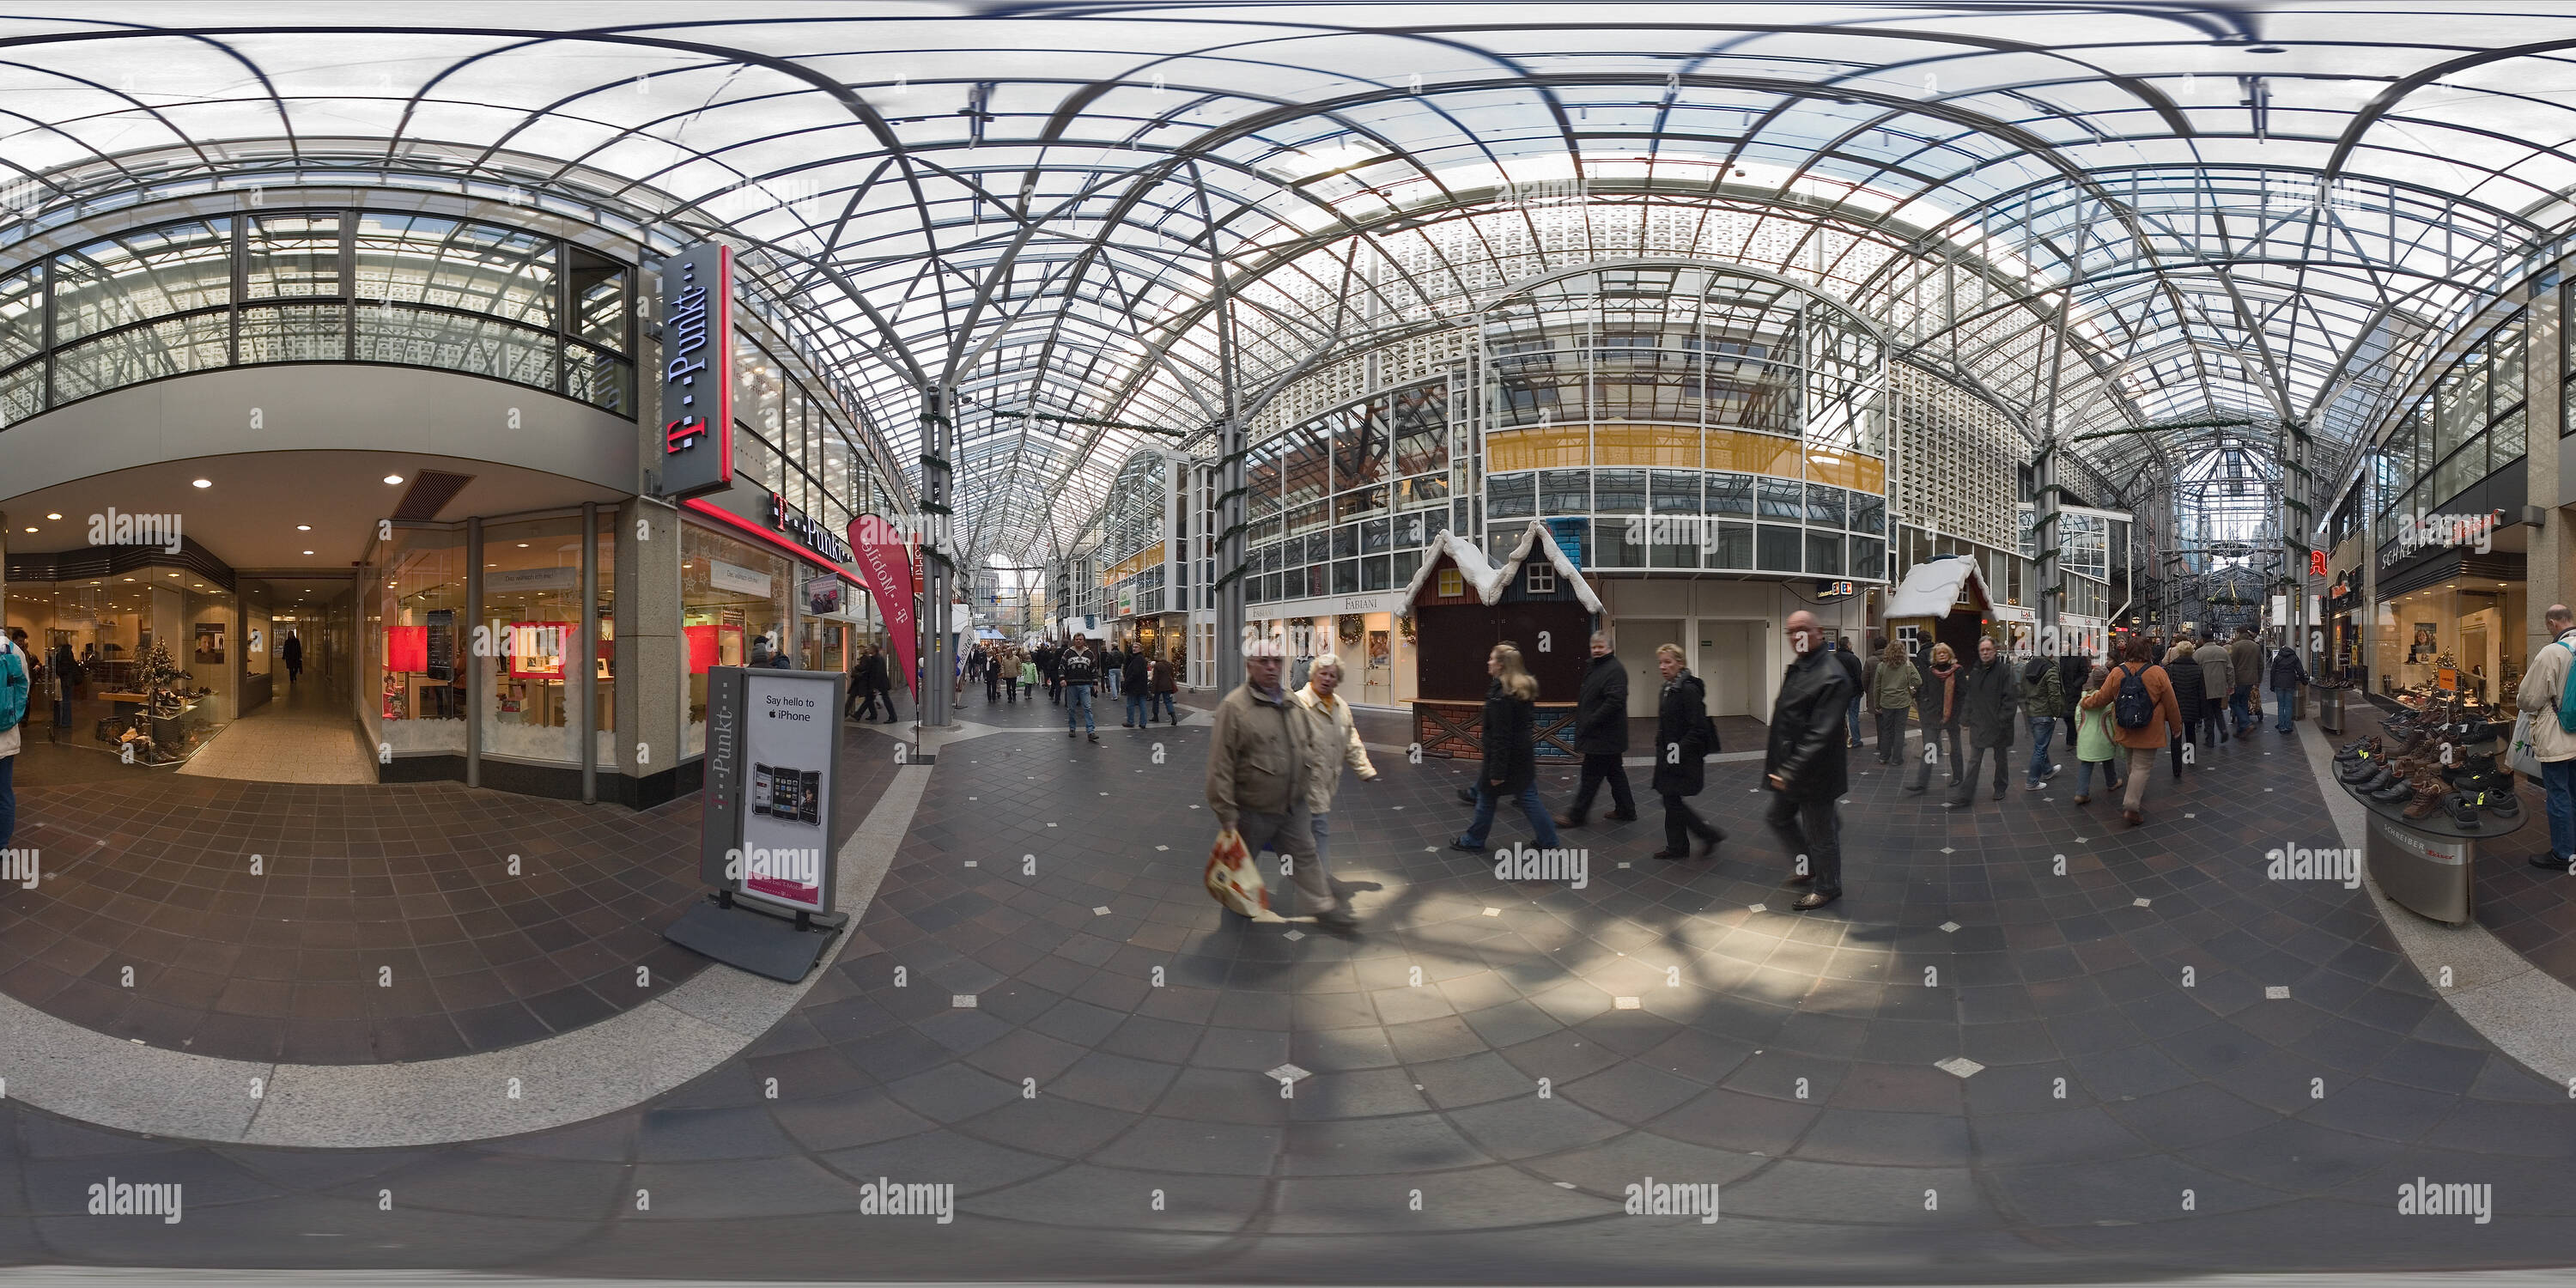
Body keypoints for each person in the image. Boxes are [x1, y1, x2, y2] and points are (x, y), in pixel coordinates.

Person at [1206, 635, 1315, 923]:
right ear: (1249, 666)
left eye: (1276, 661)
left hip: (1293, 807)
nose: (1271, 667)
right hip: (1252, 811)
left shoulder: (1293, 702)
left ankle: (1325, 907)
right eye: (1263, 661)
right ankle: (1234, 913)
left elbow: (1306, 745)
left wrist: (1308, 785)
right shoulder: (1233, 707)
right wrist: (1227, 815)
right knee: (1243, 866)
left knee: (1305, 858)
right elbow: (1220, 766)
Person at [1765, 611, 1850, 909]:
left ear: (1819, 633)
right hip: (1793, 768)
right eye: (1791, 631)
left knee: (1820, 833)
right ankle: (1811, 864)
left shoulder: (1832, 674)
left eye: (1802, 629)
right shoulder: (1802, 665)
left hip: (1814, 773)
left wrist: (1789, 769)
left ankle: (1828, 886)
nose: (1796, 636)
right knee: (1778, 817)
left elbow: (1820, 734)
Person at [1290, 652, 1378, 929]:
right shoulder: (1299, 704)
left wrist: (1363, 768)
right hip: (1302, 785)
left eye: (1332, 675)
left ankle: (1317, 882)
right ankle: (1322, 891)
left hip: (1325, 784)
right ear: (1313, 675)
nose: (1327, 678)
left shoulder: (1340, 706)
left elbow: (1351, 739)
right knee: (1317, 833)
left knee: (1308, 835)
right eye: (1323, 673)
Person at [1450, 643, 1561, 854]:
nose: (1488, 662)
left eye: (1492, 659)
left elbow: (1501, 737)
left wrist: (1497, 772)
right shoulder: (1520, 690)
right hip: (1522, 757)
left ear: (1501, 665)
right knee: (1527, 797)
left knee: (1486, 797)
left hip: (1504, 760)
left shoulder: (1500, 697)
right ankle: (1549, 839)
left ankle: (1473, 840)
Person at [2081, 635, 2182, 826]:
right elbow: (2171, 703)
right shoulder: (2158, 673)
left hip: (2124, 724)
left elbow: (2102, 697)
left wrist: (2085, 702)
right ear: (2148, 651)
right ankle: (2131, 805)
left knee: (2131, 762)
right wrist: (2176, 726)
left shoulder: (2117, 672)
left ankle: (2135, 792)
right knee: (2142, 767)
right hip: (2149, 728)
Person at [1649, 642, 1722, 860]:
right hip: (1669, 753)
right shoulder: (1668, 688)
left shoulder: (1688, 690)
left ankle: (1704, 837)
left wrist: (1676, 750)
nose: (1663, 667)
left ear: (1680, 664)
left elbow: (1698, 728)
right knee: (1670, 799)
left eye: (1668, 662)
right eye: (1660, 662)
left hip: (1682, 756)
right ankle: (1679, 846)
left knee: (1671, 799)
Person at [2516, 604, 2576, 872]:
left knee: (2558, 794)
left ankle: (2563, 854)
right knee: (2574, 791)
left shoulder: (2551, 653)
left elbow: (2528, 698)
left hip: (2558, 736)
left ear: (2552, 624)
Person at [1556, 630, 1637, 827]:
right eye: (1594, 647)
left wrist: (1591, 720)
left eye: (1601, 647)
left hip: (1603, 735)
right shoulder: (1597, 667)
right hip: (1606, 735)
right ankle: (1626, 810)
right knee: (1615, 773)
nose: (1597, 650)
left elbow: (1615, 701)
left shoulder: (1614, 669)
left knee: (1590, 776)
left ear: (1610, 648)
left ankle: (1576, 816)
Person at [1949, 635, 2018, 807]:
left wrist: (2003, 721)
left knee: (2000, 758)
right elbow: (1970, 697)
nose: (1985, 653)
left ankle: (2000, 786)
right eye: (1982, 650)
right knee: (1974, 760)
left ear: (1995, 651)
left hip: (1999, 725)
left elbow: (2010, 699)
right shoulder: (1975, 672)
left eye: (1988, 649)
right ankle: (1966, 795)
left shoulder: (2004, 671)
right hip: (1980, 724)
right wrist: (1965, 718)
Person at [1905, 642, 1963, 793]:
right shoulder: (1931, 672)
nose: (1942, 655)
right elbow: (1925, 691)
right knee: (1929, 749)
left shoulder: (1958, 671)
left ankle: (1958, 776)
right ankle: (1922, 782)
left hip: (1953, 716)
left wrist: (1962, 714)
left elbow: (1964, 693)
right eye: (1939, 653)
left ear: (1949, 654)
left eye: (1944, 652)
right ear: (1935, 656)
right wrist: (1925, 707)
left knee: (1955, 748)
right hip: (1933, 717)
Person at [2069, 664, 2125, 805]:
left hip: (2086, 737)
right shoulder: (2109, 702)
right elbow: (2113, 722)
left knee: (2086, 765)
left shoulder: (2084, 699)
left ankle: (2081, 793)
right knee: (2108, 760)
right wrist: (2116, 737)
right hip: (2104, 737)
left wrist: (2080, 731)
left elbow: (2077, 717)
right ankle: (2112, 782)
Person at [2020, 646, 2065, 790]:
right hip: (2045, 713)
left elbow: (2022, 688)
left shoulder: (2027, 667)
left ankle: (2048, 770)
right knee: (2040, 748)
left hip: (2032, 712)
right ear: (2051, 652)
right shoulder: (2051, 669)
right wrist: (2056, 713)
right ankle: (2032, 781)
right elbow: (2054, 694)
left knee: (2040, 745)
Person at [1869, 637, 1919, 765]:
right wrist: (1910, 688)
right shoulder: (1908, 665)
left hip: (1886, 702)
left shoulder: (1882, 666)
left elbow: (1877, 686)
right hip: (1903, 701)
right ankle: (1897, 759)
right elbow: (1918, 681)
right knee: (1899, 731)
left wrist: (1877, 703)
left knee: (1887, 730)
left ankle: (1884, 757)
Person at [2163, 640, 2208, 778]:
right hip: (2192, 706)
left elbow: (2167, 690)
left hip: (2175, 707)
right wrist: (2202, 711)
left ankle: (2177, 768)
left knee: (2176, 736)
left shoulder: (2171, 669)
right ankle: (2189, 758)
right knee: (2190, 732)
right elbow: (2202, 692)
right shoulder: (2198, 669)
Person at [0, 624, 22, 852]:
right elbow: (22, 693)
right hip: (6, 736)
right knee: (4, 792)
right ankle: (2, 845)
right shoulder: (16, 652)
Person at [2196, 632, 2234, 746]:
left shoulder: (2199, 653)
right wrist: (2231, 685)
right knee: (2218, 710)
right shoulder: (2222, 651)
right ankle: (2223, 730)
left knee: (2208, 714)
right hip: (2220, 686)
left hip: (2205, 688)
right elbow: (2230, 669)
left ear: (2203, 639)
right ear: (2213, 638)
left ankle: (2210, 739)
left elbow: (2195, 671)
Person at [1061, 632, 1100, 742]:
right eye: (1077, 639)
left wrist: (1095, 683)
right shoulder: (1068, 652)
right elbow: (1062, 666)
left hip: (1085, 684)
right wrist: (1062, 679)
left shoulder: (1089, 653)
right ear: (1074, 640)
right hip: (1071, 684)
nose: (1078, 641)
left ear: (1084, 641)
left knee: (1087, 708)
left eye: (1080, 639)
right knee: (1071, 708)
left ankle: (1091, 731)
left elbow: (1094, 669)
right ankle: (1072, 728)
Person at [2227, 627, 2263, 736]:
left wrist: (2230, 681)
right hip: (2251, 680)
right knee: (2243, 703)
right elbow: (2261, 665)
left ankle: (2246, 724)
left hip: (2239, 680)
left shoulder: (2236, 646)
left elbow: (2231, 665)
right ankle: (2241, 729)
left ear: (2238, 633)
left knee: (2233, 702)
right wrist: (2259, 680)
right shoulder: (2256, 646)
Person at [2268, 641, 2308, 733]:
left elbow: (2272, 672)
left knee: (2281, 705)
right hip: (2290, 683)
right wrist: (2304, 682)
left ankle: (2281, 726)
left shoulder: (2277, 658)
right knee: (2289, 705)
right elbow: (2300, 671)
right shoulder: (2294, 658)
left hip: (2279, 683)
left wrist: (2272, 686)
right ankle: (2288, 726)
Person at [1838, 634, 1866, 750]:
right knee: (1853, 716)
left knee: (1840, 717)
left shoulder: (1833, 658)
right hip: (1853, 692)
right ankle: (1855, 740)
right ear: (1848, 645)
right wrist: (1861, 690)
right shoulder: (1853, 659)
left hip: (1839, 692)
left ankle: (1840, 740)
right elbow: (1859, 677)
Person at [1121, 646, 1151, 729]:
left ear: (1141, 649)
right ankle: (1143, 722)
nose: (1134, 648)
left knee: (1130, 704)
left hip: (1134, 686)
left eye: (1137, 647)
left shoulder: (1138, 659)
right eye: (1133, 647)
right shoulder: (1140, 658)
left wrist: (1127, 681)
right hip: (1141, 686)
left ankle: (1131, 721)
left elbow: (1135, 673)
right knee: (1142, 704)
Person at [1151, 653, 1180, 725]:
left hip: (1159, 686)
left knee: (1155, 701)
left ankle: (1155, 716)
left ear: (1158, 656)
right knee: (1168, 701)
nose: (1154, 656)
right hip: (1168, 685)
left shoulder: (1157, 666)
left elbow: (1155, 678)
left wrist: (1153, 689)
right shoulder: (1169, 664)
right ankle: (1173, 716)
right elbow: (1172, 675)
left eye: (1155, 655)